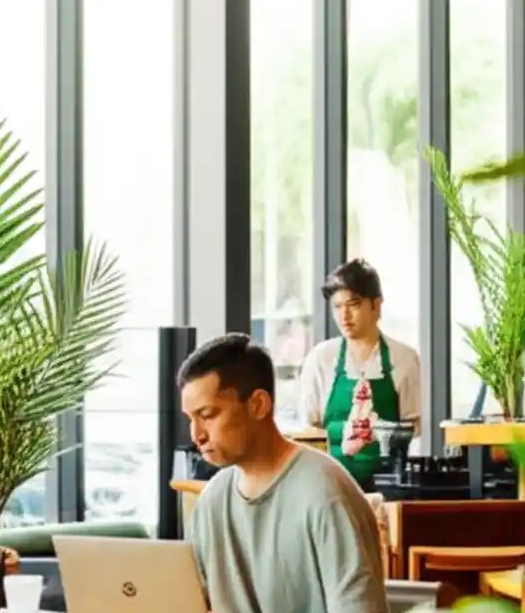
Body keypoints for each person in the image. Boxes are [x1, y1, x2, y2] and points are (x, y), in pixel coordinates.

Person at [179, 333, 389, 613]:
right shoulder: (210, 503)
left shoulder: (326, 494)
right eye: (190, 419)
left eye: (207, 415)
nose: (197, 435)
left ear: (258, 405)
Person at [298, 259, 423, 491]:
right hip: (330, 485)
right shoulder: (320, 359)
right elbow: (309, 430)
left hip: (389, 486)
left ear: (376, 306)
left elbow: (416, 426)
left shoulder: (404, 359)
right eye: (337, 307)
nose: (344, 316)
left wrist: (377, 430)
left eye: (353, 304)